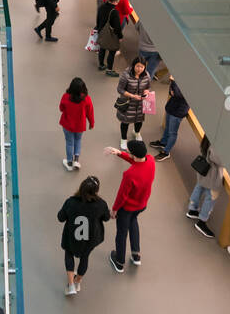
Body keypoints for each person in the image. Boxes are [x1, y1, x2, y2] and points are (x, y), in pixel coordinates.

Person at [104, 139, 155, 272]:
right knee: (133, 222)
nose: (128, 152)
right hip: (141, 204)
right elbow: (136, 162)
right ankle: (136, 255)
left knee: (121, 233)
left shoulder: (129, 174)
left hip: (127, 209)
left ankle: (119, 261)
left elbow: (122, 196)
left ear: (133, 154)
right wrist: (119, 153)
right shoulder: (150, 160)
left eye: (129, 152)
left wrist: (114, 209)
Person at [57, 174, 110, 294]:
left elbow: (60, 218)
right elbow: (106, 218)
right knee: (84, 258)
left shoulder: (71, 202)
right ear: (96, 191)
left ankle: (70, 286)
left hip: (72, 236)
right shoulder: (101, 204)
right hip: (90, 239)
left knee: (69, 254)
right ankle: (77, 281)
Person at [185, 134, 224, 239]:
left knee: (199, 187)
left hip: (204, 172)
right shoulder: (216, 146)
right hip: (212, 176)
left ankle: (192, 209)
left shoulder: (208, 137)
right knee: (211, 198)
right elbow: (220, 161)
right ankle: (202, 222)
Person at [59, 76, 94, 171]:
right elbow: (90, 112)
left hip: (67, 125)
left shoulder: (66, 97)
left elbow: (61, 108)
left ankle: (69, 162)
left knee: (69, 143)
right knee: (78, 140)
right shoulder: (87, 99)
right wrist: (91, 123)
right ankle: (76, 160)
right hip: (80, 126)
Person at [115, 55, 150, 147]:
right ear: (133, 65)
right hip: (127, 103)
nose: (139, 69)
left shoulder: (146, 75)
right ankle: (123, 139)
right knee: (125, 122)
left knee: (139, 120)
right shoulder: (126, 75)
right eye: (137, 66)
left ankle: (136, 132)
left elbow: (148, 87)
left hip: (140, 104)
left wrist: (147, 91)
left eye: (142, 67)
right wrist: (132, 96)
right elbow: (120, 89)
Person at [150, 76, 189, 160]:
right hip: (171, 108)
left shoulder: (190, 83)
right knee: (167, 128)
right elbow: (171, 93)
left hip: (178, 111)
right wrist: (173, 86)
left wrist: (173, 82)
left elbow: (177, 94)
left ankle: (166, 152)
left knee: (172, 133)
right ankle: (163, 142)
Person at [96, 0, 123, 76]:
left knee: (102, 48)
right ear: (115, 1)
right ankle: (109, 70)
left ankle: (101, 64)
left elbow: (98, 19)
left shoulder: (101, 7)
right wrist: (120, 36)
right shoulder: (114, 12)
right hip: (110, 34)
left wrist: (99, 29)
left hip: (102, 31)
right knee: (112, 51)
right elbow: (117, 26)